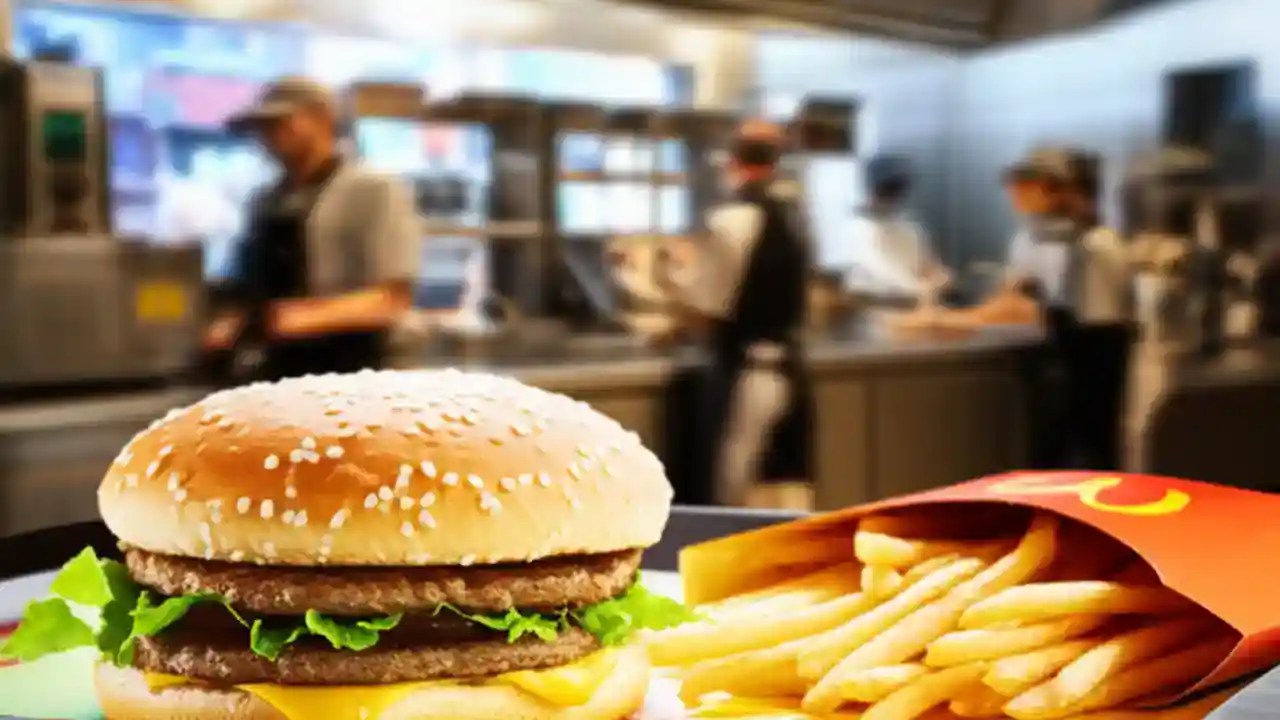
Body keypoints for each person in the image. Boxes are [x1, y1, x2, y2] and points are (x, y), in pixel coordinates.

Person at [203, 78, 419, 381]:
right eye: (263, 129)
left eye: (280, 124)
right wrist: (231, 320)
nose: (269, 137)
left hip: (356, 373)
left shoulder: (373, 189)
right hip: (278, 370)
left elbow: (391, 299)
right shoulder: (266, 201)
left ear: (322, 118)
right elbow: (245, 285)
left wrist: (285, 319)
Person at [656, 120, 812, 507]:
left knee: (731, 494)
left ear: (732, 161)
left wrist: (669, 270)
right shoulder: (794, 217)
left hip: (745, 378)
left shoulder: (733, 220)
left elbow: (706, 309)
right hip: (790, 372)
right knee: (784, 487)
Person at [995, 148, 1132, 470]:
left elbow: (1105, 324)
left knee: (1092, 445)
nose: (1015, 194)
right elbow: (1014, 296)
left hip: (1095, 350)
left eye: (1027, 185)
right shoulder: (1032, 238)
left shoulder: (1098, 245)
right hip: (1056, 355)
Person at [845, 155, 948, 303]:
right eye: (887, 190)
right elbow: (886, 275)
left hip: (916, 304)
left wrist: (939, 277)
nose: (894, 197)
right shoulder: (859, 230)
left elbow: (929, 265)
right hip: (876, 304)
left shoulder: (910, 227)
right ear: (872, 189)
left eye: (897, 190)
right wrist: (925, 287)